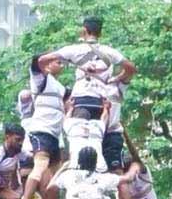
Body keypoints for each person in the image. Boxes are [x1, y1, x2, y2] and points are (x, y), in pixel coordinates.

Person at [40, 16, 137, 170]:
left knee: (78, 142)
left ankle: (77, 173)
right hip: (100, 103)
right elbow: (131, 69)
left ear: (84, 30)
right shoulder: (109, 52)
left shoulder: (74, 50)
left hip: (81, 102)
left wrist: (50, 74)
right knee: (97, 142)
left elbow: (42, 60)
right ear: (100, 33)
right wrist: (114, 79)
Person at [19, 53, 67, 199]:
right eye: (58, 62)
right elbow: (36, 61)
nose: (61, 65)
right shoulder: (40, 79)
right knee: (40, 166)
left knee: (55, 175)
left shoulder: (59, 87)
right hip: (42, 130)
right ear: (48, 63)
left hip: (54, 135)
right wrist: (50, 55)